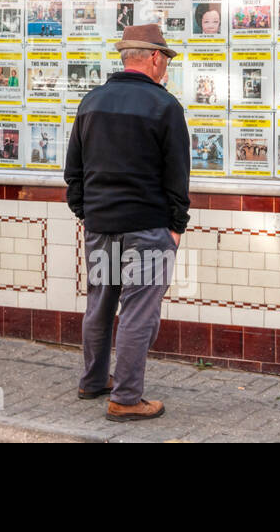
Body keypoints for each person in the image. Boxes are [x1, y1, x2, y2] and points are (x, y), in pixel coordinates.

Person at [64, 24, 190, 422]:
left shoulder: (92, 101)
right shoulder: (164, 106)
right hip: (147, 227)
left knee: (100, 303)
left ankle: (93, 379)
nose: (166, 67)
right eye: (165, 60)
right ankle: (126, 398)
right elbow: (177, 175)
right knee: (138, 311)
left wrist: (86, 212)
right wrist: (176, 224)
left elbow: (74, 170)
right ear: (154, 57)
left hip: (102, 226)